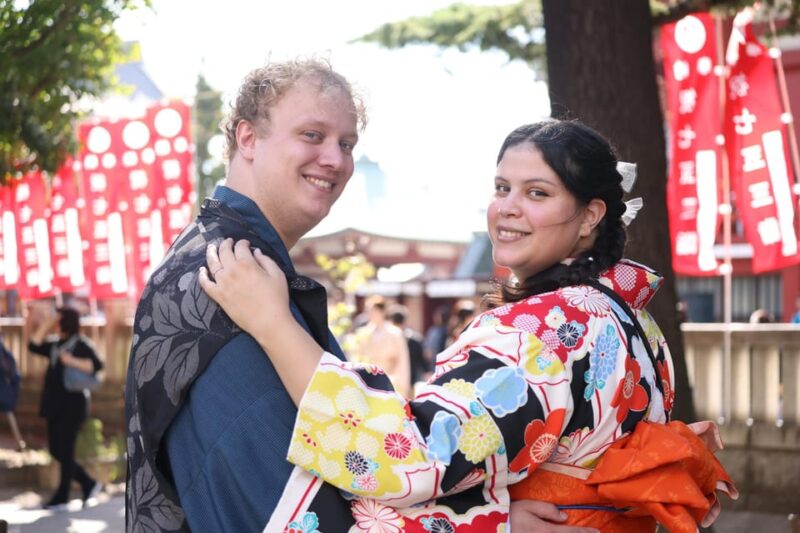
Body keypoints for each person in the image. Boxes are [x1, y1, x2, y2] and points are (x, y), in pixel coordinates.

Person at [200, 119, 736, 532]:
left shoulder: (544, 328)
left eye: (538, 193)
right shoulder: (631, 319)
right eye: (502, 187)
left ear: (591, 215)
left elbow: (410, 459)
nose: (507, 209)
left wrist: (273, 323)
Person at [28, 306, 102, 510]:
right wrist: (46, 324)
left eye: (58, 319)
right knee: (56, 450)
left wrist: (72, 361)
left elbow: (97, 365)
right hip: (54, 405)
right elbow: (33, 346)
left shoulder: (80, 344)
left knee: (66, 450)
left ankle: (62, 496)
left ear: (66, 321)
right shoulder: (54, 344)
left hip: (74, 406)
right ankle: (89, 483)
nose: (55, 322)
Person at [351, 296, 411, 397]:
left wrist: (398, 383)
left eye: (373, 310)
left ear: (382, 311)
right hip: (368, 381)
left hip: (390, 380)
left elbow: (403, 361)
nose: (370, 313)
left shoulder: (395, 333)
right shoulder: (362, 333)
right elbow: (357, 359)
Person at [388, 303, 430, 391]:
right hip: (410, 382)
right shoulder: (415, 339)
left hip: (390, 382)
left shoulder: (387, 340)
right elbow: (423, 363)